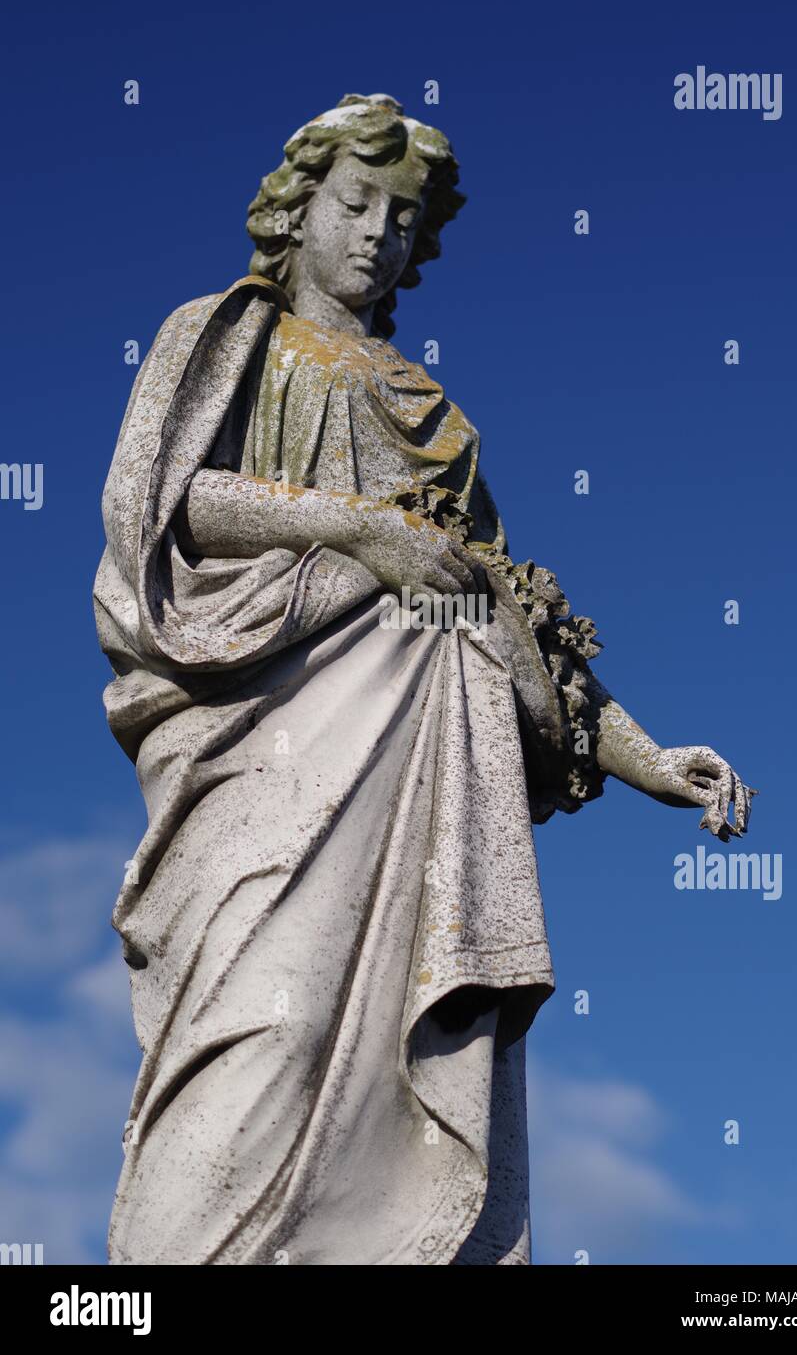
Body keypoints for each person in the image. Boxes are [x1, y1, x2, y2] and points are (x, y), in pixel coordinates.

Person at [94, 93, 753, 1266]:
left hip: (419, 774)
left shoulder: (433, 413)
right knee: (260, 1030)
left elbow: (508, 619)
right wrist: (359, 532)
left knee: (395, 1074)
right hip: (268, 742)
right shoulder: (230, 338)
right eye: (355, 204)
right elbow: (168, 503)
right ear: (296, 210)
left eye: (402, 221)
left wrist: (644, 755)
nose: (376, 237)